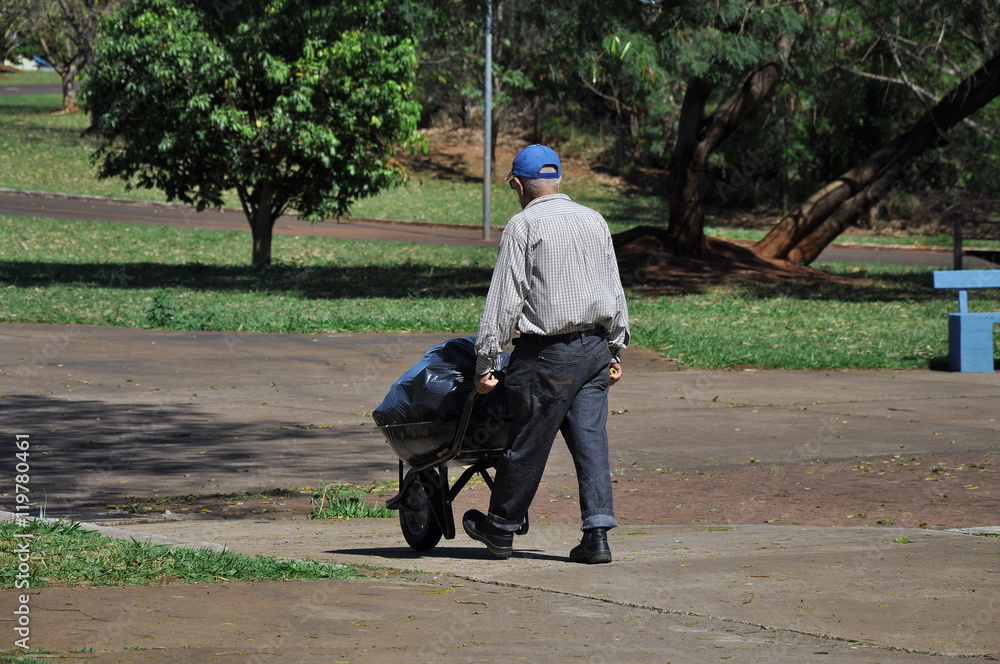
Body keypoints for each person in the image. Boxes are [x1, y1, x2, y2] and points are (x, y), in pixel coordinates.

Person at [464, 144, 630, 564]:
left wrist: (485, 362)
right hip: (594, 350)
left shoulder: (523, 226)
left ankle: (500, 529)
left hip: (546, 356)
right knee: (592, 443)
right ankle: (597, 536)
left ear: (518, 184)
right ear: (558, 180)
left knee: (527, 442)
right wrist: (615, 349)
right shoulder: (594, 220)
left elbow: (504, 302)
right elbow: (614, 289)